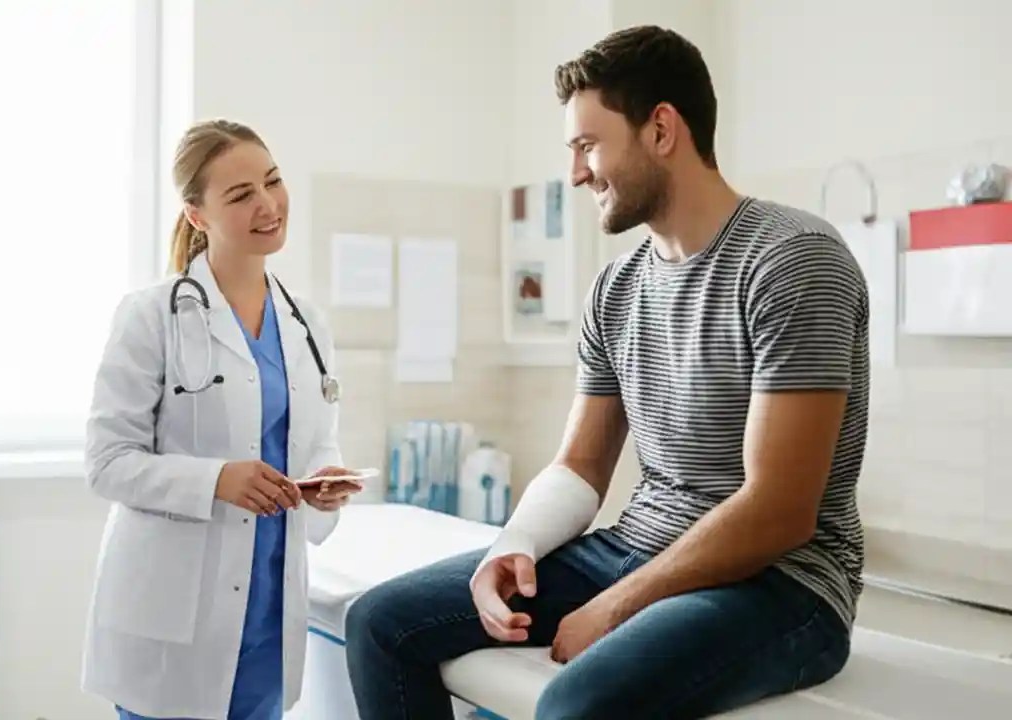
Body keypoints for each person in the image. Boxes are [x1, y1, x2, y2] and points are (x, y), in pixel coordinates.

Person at [345, 25, 869, 720]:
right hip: (638, 545)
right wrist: (515, 547)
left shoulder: (793, 259)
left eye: (588, 145)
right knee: (380, 624)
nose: (576, 173)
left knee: (576, 705)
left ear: (661, 130)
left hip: (780, 583)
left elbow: (778, 510)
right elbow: (581, 465)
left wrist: (616, 605)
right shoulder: (616, 288)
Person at [81, 119, 362, 720]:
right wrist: (216, 481)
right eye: (240, 195)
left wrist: (323, 484)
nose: (268, 204)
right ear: (196, 214)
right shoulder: (150, 316)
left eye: (273, 181)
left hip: (268, 610)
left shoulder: (306, 322)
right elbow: (108, 464)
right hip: (171, 617)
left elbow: (313, 441)